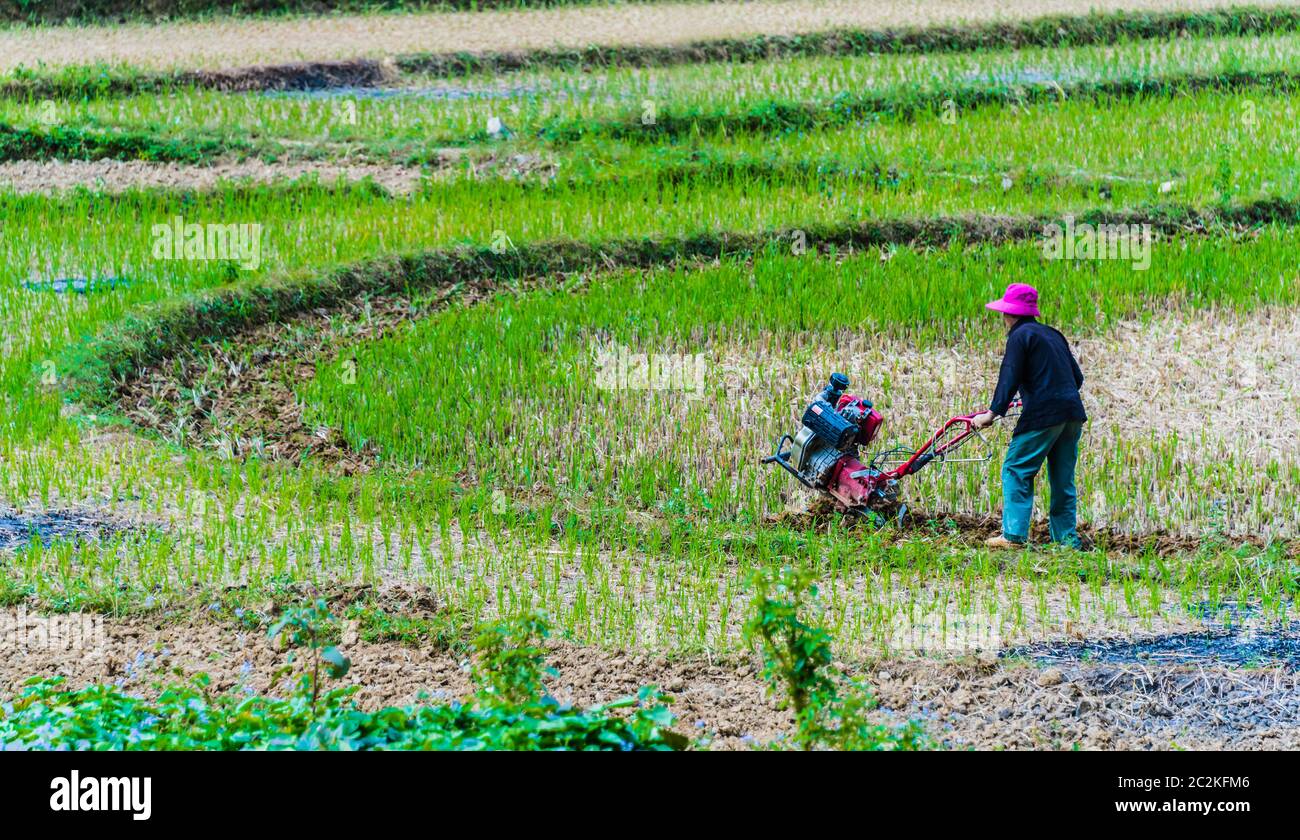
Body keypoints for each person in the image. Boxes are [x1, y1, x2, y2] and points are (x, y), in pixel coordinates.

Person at [971, 283, 1086, 549]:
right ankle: (1066, 540)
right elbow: (1076, 378)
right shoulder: (1052, 334)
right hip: (1072, 414)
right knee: (1062, 478)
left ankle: (1013, 536)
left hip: (1044, 415)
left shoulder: (1019, 336)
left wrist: (991, 414)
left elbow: (1009, 376)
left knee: (1016, 469)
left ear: (1009, 313)